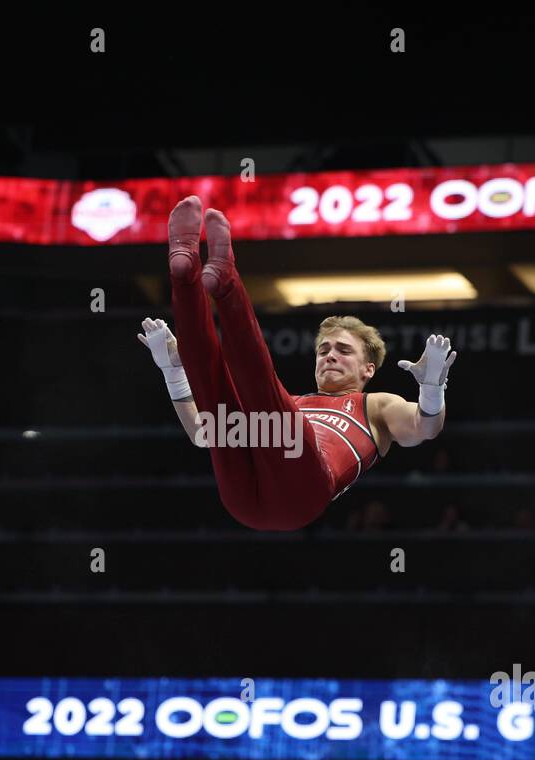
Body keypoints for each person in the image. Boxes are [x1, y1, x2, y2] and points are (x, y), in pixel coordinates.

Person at [137, 195, 456, 531]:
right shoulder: (294, 404)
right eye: (324, 349)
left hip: (303, 494)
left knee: (258, 388)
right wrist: (174, 370)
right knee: (218, 395)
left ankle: (227, 280)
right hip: (244, 498)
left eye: (344, 350)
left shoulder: (375, 405)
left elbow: (426, 428)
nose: (330, 354)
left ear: (368, 369)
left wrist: (432, 389)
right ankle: (185, 270)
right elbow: (203, 433)